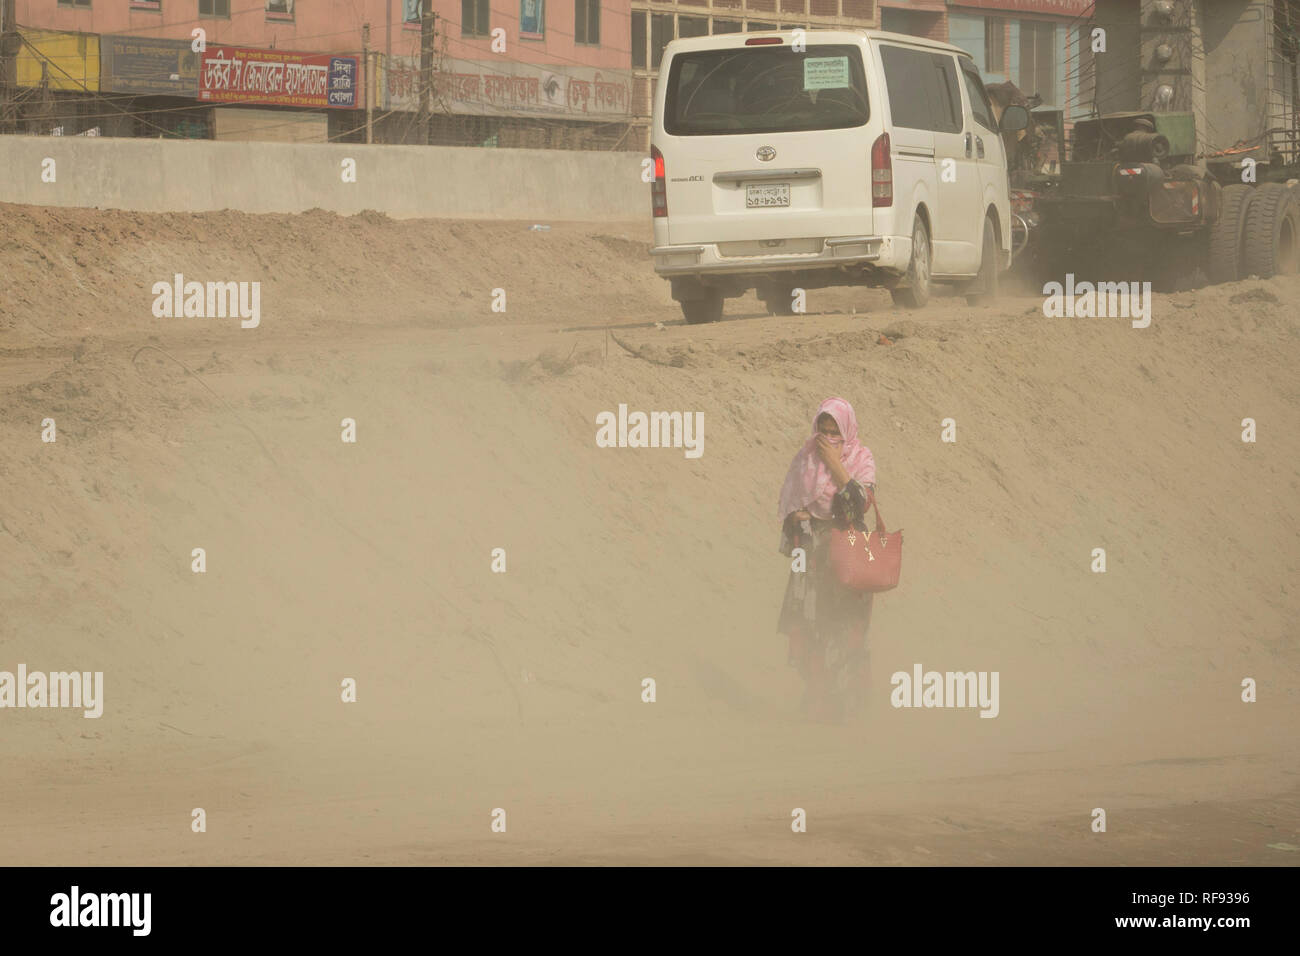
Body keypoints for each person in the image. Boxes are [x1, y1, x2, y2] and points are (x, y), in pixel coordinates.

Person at [777, 397, 877, 722]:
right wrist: (798, 517)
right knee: (807, 629)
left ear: (847, 431)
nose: (828, 437)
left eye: (836, 431)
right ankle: (820, 697)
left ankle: (852, 704)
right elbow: (789, 506)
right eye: (824, 429)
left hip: (846, 555)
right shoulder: (805, 458)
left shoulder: (862, 459)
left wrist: (836, 464)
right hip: (809, 560)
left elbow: (856, 506)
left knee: (845, 631)